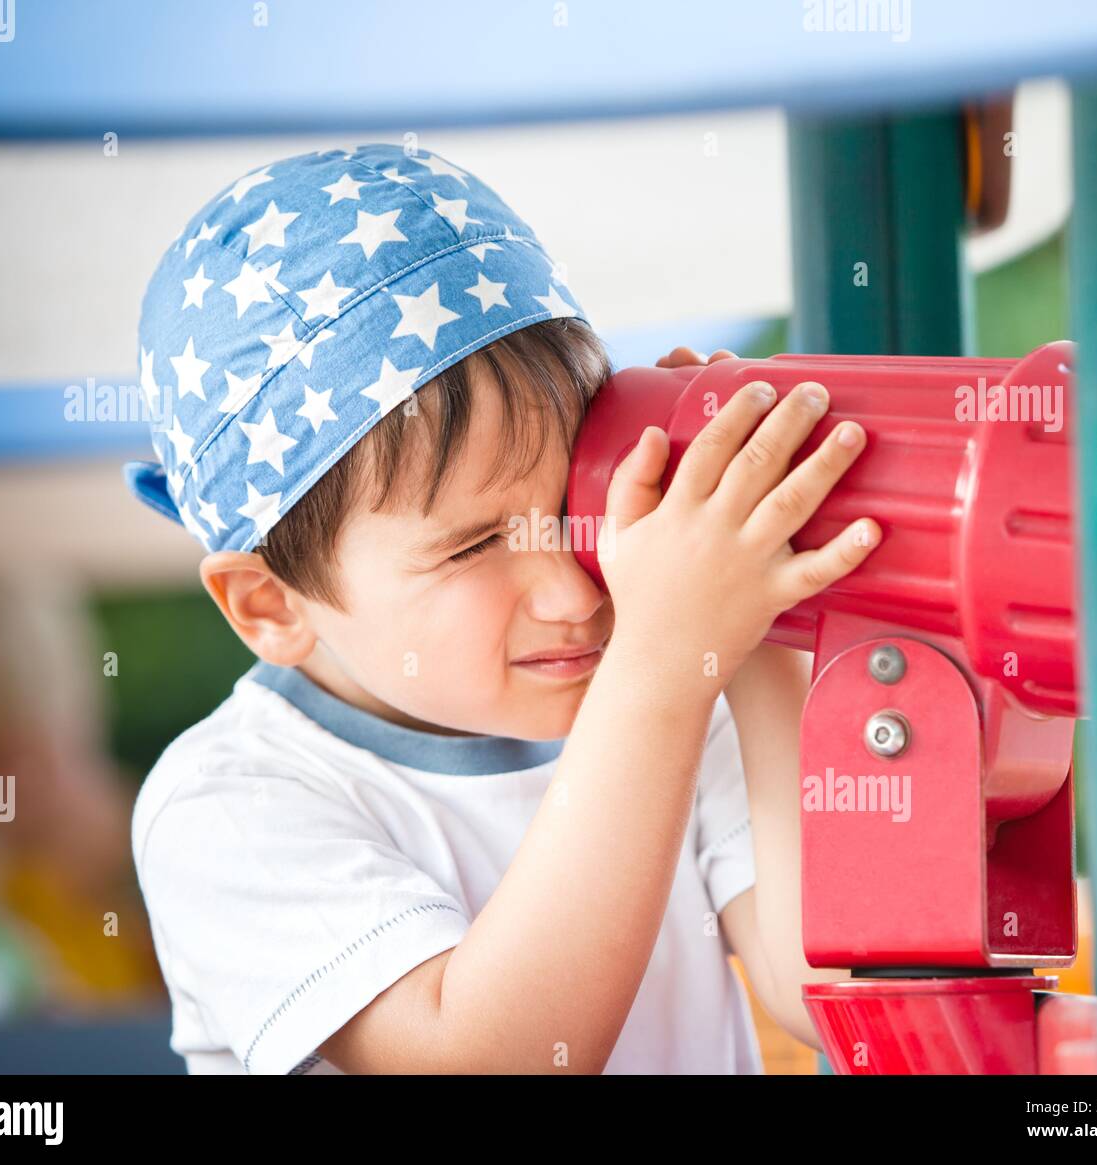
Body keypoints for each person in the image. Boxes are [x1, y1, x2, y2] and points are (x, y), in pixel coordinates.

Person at [125, 143, 878, 1074]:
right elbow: (486, 1056)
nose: (569, 592)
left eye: (577, 508)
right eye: (477, 546)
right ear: (271, 603)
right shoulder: (230, 806)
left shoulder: (673, 684)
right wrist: (663, 671)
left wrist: (755, 621)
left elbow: (838, 987)